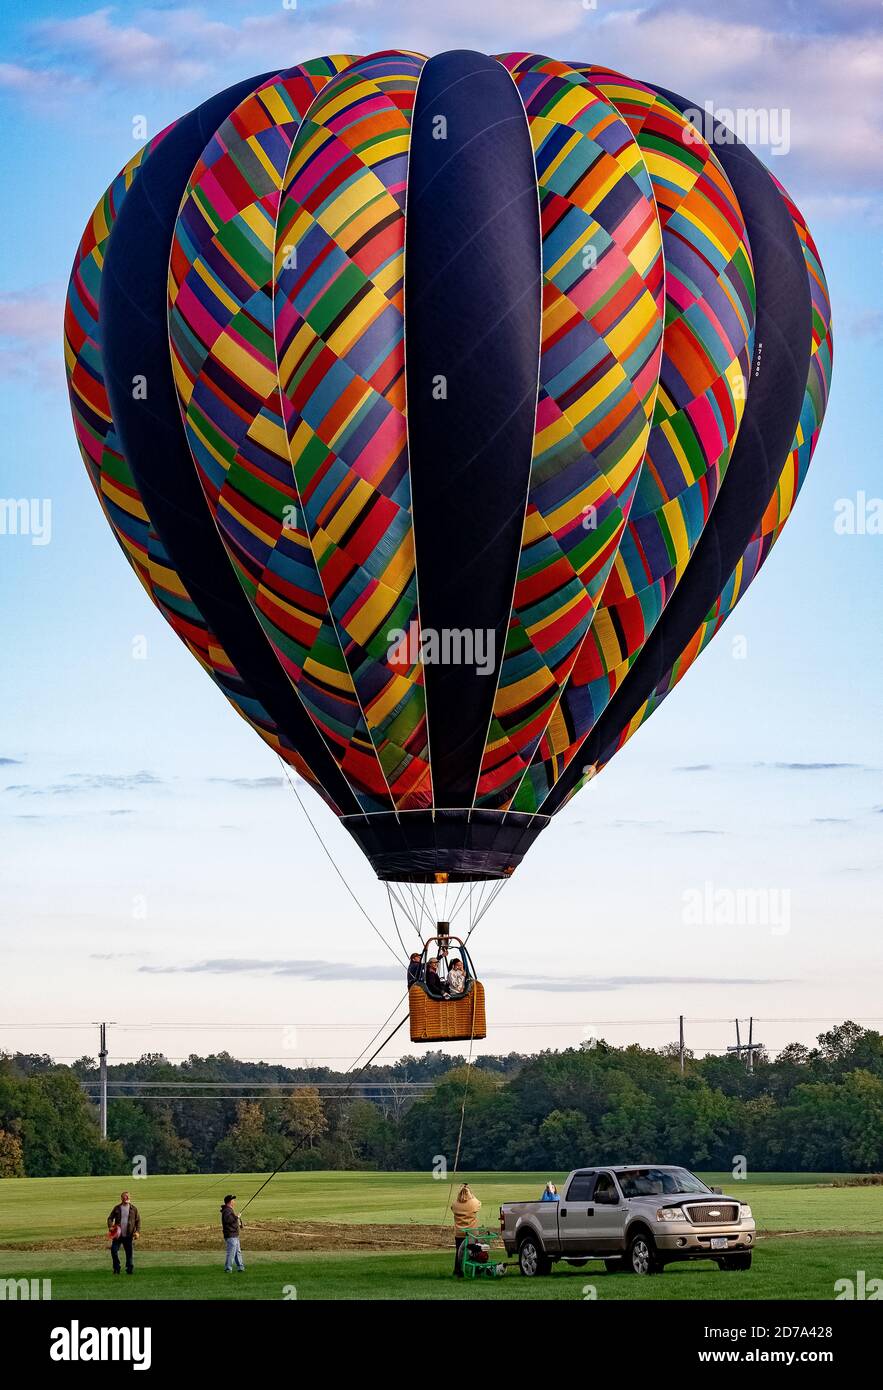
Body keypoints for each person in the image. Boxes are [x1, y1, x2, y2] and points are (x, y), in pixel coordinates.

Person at [450, 1182, 481, 1277]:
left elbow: (452, 1208)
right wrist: (472, 1194)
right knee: (474, 1251)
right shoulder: (473, 1202)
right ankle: (475, 1270)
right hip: (471, 1232)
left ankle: (458, 1271)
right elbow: (479, 1204)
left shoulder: (455, 1204)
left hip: (459, 1232)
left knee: (459, 1252)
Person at [107, 1190, 140, 1275]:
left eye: (128, 1196)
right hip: (118, 1235)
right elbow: (110, 1218)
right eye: (125, 1196)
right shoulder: (117, 1208)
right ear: (121, 1198)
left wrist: (137, 1232)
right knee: (114, 1251)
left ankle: (129, 1269)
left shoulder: (134, 1209)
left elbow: (138, 1221)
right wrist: (110, 1226)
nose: (127, 1198)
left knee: (129, 1253)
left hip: (129, 1235)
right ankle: (116, 1268)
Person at [221, 1195, 245, 1272]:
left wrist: (239, 1223)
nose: (234, 1202)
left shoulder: (229, 1210)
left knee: (237, 1252)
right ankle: (228, 1268)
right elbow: (228, 1220)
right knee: (231, 1252)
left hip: (234, 1235)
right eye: (233, 1200)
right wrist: (237, 1217)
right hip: (231, 1235)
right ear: (230, 1202)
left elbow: (232, 1222)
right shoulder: (227, 1211)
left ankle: (240, 1267)